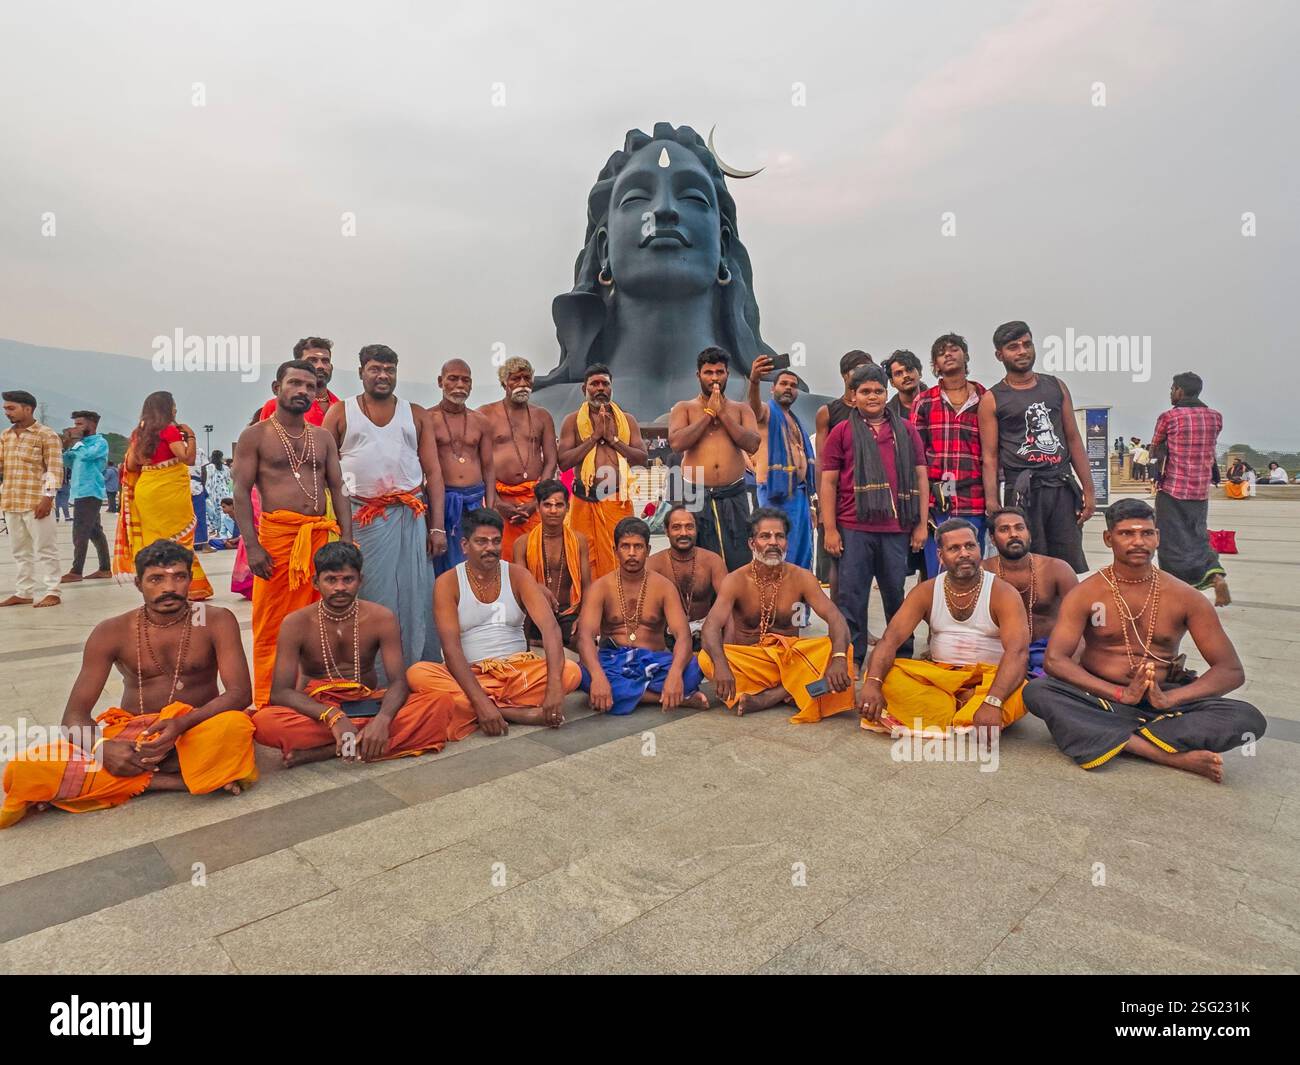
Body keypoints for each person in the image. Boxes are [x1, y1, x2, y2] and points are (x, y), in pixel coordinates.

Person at [0, 540, 258, 828]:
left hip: (195, 728)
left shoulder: (216, 620)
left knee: (235, 726)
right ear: (138, 584)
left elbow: (239, 693)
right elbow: (74, 717)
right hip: (135, 737)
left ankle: (136, 777)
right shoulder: (112, 631)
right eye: (156, 579)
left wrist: (181, 725)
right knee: (25, 768)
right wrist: (102, 749)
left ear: (189, 580)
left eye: (179, 577)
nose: (168, 588)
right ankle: (176, 779)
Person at [1024, 500, 1266, 781]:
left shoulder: (1185, 597)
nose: (1138, 541)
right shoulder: (1086, 593)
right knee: (1038, 691)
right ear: (1108, 538)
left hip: (1166, 702)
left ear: (1158, 538)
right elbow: (1055, 660)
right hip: (1102, 698)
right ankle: (1165, 753)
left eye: (1147, 533)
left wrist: (1168, 699)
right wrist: (1119, 695)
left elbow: (1230, 671)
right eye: (1127, 533)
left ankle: (1110, 736)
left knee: (1248, 718)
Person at [253, 543, 455, 766]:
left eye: (347, 579)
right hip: (319, 711)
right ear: (316, 582)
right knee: (264, 723)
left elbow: (398, 682)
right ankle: (365, 741)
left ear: (361, 580)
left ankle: (329, 750)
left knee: (440, 702)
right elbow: (280, 692)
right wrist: (333, 716)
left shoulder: (381, 618)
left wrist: (383, 720)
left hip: (366, 702)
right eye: (331, 580)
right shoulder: (295, 623)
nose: (340, 587)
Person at [233, 360, 351, 707]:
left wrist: (347, 540)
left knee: (323, 618)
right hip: (277, 541)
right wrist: (252, 547)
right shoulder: (255, 436)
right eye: (295, 383)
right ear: (276, 388)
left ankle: (318, 693)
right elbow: (240, 492)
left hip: (317, 540)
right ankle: (270, 699)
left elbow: (339, 488)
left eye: (310, 386)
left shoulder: (323, 437)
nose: (302, 391)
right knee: (272, 623)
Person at [323, 344, 444, 676]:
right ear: (361, 371)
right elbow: (329, 474)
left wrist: (437, 528)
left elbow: (433, 472)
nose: (383, 376)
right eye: (375, 369)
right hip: (362, 518)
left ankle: (419, 668)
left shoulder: (415, 413)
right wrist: (342, 531)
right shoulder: (341, 413)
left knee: (417, 592)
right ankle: (370, 672)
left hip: (410, 515)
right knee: (370, 592)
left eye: (389, 369)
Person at [405, 508, 581, 736]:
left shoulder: (518, 576)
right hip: (470, 674)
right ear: (464, 545)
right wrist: (482, 703)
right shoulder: (447, 583)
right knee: (418, 673)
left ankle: (477, 708)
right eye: (481, 542)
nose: (490, 548)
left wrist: (555, 687)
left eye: (496, 541)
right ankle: (513, 712)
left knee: (570, 671)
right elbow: (451, 649)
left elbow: (550, 629)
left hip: (518, 673)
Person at [859, 518, 1029, 736]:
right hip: (939, 677)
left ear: (980, 548)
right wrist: (873, 684)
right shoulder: (926, 591)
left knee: (1021, 691)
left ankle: (957, 710)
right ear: (941, 556)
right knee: (886, 676)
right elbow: (889, 640)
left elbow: (1018, 653)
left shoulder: (1003, 592)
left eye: (970, 546)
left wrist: (993, 701)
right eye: (954, 548)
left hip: (989, 681)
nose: (964, 553)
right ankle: (960, 712)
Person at [699, 507, 854, 721]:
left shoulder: (802, 577)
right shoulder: (736, 580)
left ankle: (770, 696)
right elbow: (711, 626)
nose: (773, 542)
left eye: (779, 536)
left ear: (786, 543)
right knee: (707, 659)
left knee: (842, 653)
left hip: (791, 660)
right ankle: (795, 690)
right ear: (752, 543)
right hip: (753, 663)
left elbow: (835, 617)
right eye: (765, 536)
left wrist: (837, 659)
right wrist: (722, 666)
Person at [819, 363, 928, 668]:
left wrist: (920, 525)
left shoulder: (905, 430)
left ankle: (901, 656)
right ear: (853, 396)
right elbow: (828, 482)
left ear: (886, 392)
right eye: (865, 391)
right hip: (853, 526)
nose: (873, 397)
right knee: (852, 597)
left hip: (896, 528)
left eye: (878, 391)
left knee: (895, 595)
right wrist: (830, 529)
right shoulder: (841, 432)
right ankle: (852, 659)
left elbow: (921, 476)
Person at [979, 321, 1094, 572]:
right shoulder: (992, 398)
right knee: (1026, 563)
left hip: (1061, 486)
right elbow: (989, 456)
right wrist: (992, 502)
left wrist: (1089, 489)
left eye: (1027, 344)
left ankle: (1067, 611)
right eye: (1013, 347)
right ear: (1000, 355)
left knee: (1068, 561)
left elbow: (1073, 439)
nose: (1022, 351)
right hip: (1021, 491)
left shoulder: (1055, 386)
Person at [576, 517, 708, 714]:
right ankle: (672, 698)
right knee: (583, 674)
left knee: (696, 667)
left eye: (638, 547)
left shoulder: (663, 587)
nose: (631, 553)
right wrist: (598, 677)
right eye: (625, 547)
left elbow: (683, 636)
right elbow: (584, 636)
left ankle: (618, 696)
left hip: (655, 660)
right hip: (613, 661)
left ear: (648, 550)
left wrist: (674, 674)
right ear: (615, 550)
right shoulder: (600, 588)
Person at [666, 347, 761, 571]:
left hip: (733, 492)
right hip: (696, 493)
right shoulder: (684, 408)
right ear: (698, 375)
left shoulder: (741, 410)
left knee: (739, 557)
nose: (715, 378)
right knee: (697, 560)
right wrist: (708, 415)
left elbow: (752, 444)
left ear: (728, 374)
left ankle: (736, 604)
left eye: (720, 372)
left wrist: (723, 414)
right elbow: (677, 443)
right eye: (709, 372)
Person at [113, 391, 213, 601]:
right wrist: (192, 436)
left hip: (146, 489)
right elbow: (188, 458)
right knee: (180, 539)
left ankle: (157, 584)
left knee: (154, 540)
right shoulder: (169, 430)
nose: (176, 409)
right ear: (166, 408)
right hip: (169, 491)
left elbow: (131, 465)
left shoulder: (138, 434)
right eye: (174, 405)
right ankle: (187, 586)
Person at [557, 363, 648, 579]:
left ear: (611, 388)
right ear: (584, 389)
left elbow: (642, 458)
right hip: (583, 500)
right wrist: (594, 437)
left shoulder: (627, 420)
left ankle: (619, 606)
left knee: (623, 555)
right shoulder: (572, 421)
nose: (600, 388)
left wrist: (613, 440)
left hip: (617, 500)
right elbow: (564, 462)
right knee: (584, 559)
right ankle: (588, 606)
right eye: (594, 384)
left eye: (605, 384)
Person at [910, 334, 989, 578]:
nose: (948, 354)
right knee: (939, 571)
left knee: (972, 569)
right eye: (941, 352)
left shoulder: (985, 398)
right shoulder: (924, 401)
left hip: (975, 498)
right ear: (935, 365)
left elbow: (993, 453)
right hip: (936, 501)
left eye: (954, 349)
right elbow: (915, 458)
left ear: (965, 356)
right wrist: (920, 510)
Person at [1150, 372, 1230, 605]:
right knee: (1198, 536)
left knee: (1170, 539)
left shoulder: (1169, 417)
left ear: (1180, 390)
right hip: (1200, 490)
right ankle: (1215, 576)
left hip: (1173, 488)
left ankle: (1175, 589)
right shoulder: (1216, 417)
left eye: (1172, 389)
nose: (1171, 393)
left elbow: (1155, 447)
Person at [982, 506, 1078, 676]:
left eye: (1019, 528)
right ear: (992, 539)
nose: (1014, 534)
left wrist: (1071, 665)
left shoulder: (1057, 569)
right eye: (1004, 529)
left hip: (1048, 655)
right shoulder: (982, 573)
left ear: (1029, 534)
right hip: (999, 656)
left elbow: (1081, 622)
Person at [481, 357, 558, 559]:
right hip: (497, 497)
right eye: (516, 379)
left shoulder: (542, 416)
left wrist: (537, 500)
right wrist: (496, 502)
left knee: (536, 558)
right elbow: (479, 462)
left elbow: (551, 461)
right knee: (500, 560)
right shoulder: (485, 414)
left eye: (526, 378)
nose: (522, 384)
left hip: (533, 499)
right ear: (504, 382)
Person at [427, 358, 497, 575]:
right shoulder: (428, 419)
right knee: (443, 559)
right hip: (442, 501)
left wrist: (490, 508)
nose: (459, 385)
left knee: (477, 560)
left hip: (475, 502)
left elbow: (488, 467)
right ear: (440, 382)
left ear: (471, 384)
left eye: (465, 380)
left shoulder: (480, 421)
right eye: (453, 379)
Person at [748, 356, 816, 570]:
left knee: (801, 552)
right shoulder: (768, 412)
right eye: (784, 384)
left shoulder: (794, 419)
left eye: (793, 386)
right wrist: (754, 382)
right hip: (775, 493)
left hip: (800, 494)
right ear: (772, 389)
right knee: (776, 550)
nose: (789, 388)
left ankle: (798, 601)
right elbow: (754, 409)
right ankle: (775, 601)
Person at [813, 350, 874, 586]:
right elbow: (821, 460)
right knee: (835, 570)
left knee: (866, 566)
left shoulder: (876, 410)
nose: (863, 374)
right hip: (838, 497)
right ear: (844, 375)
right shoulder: (828, 412)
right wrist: (821, 504)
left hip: (871, 496)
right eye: (857, 370)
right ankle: (837, 622)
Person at [0, 390, 63, 608]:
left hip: (36, 502)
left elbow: (54, 469)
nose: (7, 412)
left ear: (28, 409)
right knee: (19, 551)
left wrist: (47, 499)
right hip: (10, 501)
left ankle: (53, 591)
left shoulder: (46, 435)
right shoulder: (6, 436)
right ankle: (24, 592)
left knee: (46, 549)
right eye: (5, 408)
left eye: (11, 408)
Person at [512, 478, 591, 646]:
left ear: (567, 508)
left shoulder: (579, 540)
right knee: (520, 635)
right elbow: (519, 586)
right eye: (547, 505)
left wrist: (584, 618)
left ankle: (549, 642)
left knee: (584, 640)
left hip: (568, 612)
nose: (553, 511)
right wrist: (537, 588)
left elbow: (587, 586)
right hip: (535, 613)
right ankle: (540, 642)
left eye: (559, 505)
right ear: (538, 508)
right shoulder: (522, 543)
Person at [646, 502, 728, 651]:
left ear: (696, 529)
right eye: (676, 527)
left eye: (689, 526)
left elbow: (728, 606)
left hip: (706, 635)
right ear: (666, 531)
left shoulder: (712, 561)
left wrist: (728, 649)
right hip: (666, 638)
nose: (683, 533)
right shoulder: (653, 564)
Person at [60, 410, 112, 583]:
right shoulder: (79, 444)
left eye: (79, 424)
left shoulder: (99, 442)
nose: (76, 428)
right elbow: (67, 461)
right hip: (80, 492)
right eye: (75, 424)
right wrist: (67, 444)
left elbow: (86, 456)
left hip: (90, 491)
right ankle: (105, 569)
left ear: (92, 424)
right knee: (95, 532)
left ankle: (76, 571)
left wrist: (76, 441)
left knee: (80, 531)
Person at [259, 337, 340, 425]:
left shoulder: (342, 408)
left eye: (325, 361)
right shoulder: (275, 406)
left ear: (331, 367)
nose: (320, 366)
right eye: (312, 361)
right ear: (298, 364)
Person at [883, 349, 926, 420]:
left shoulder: (937, 402)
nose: (905, 375)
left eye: (909, 369)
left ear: (919, 373)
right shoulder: (887, 414)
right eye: (898, 373)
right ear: (892, 382)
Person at [204, 449, 234, 537]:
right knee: (223, 511)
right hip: (223, 492)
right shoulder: (225, 468)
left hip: (212, 492)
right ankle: (221, 531)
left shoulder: (209, 467)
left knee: (212, 511)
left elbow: (207, 480)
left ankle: (214, 529)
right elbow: (228, 480)